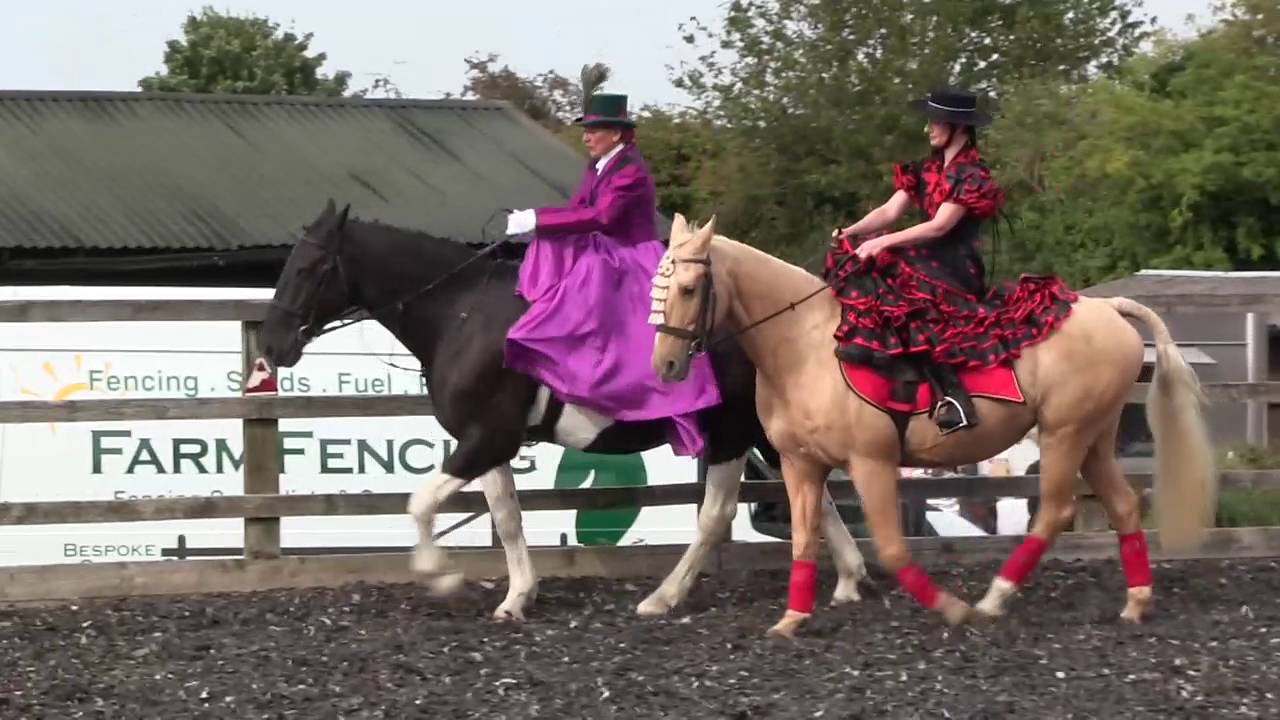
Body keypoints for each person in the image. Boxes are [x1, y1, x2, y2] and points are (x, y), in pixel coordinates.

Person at [824, 86, 1076, 435]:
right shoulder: (925, 168)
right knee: (862, 272)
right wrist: (851, 232)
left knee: (905, 290)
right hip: (920, 255)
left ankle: (956, 398)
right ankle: (892, 381)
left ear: (958, 127)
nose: (928, 128)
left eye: (936, 122)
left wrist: (883, 243)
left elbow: (939, 227)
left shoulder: (971, 175)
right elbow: (889, 211)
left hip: (954, 265)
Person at [500, 67, 721, 457]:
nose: (586, 136)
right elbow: (578, 210)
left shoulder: (630, 171)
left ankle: (617, 380)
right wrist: (542, 223)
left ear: (616, 134)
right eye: (586, 129)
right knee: (552, 250)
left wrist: (538, 219)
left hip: (631, 257)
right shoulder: (597, 166)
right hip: (605, 249)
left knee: (591, 284)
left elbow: (603, 217)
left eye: (594, 130)